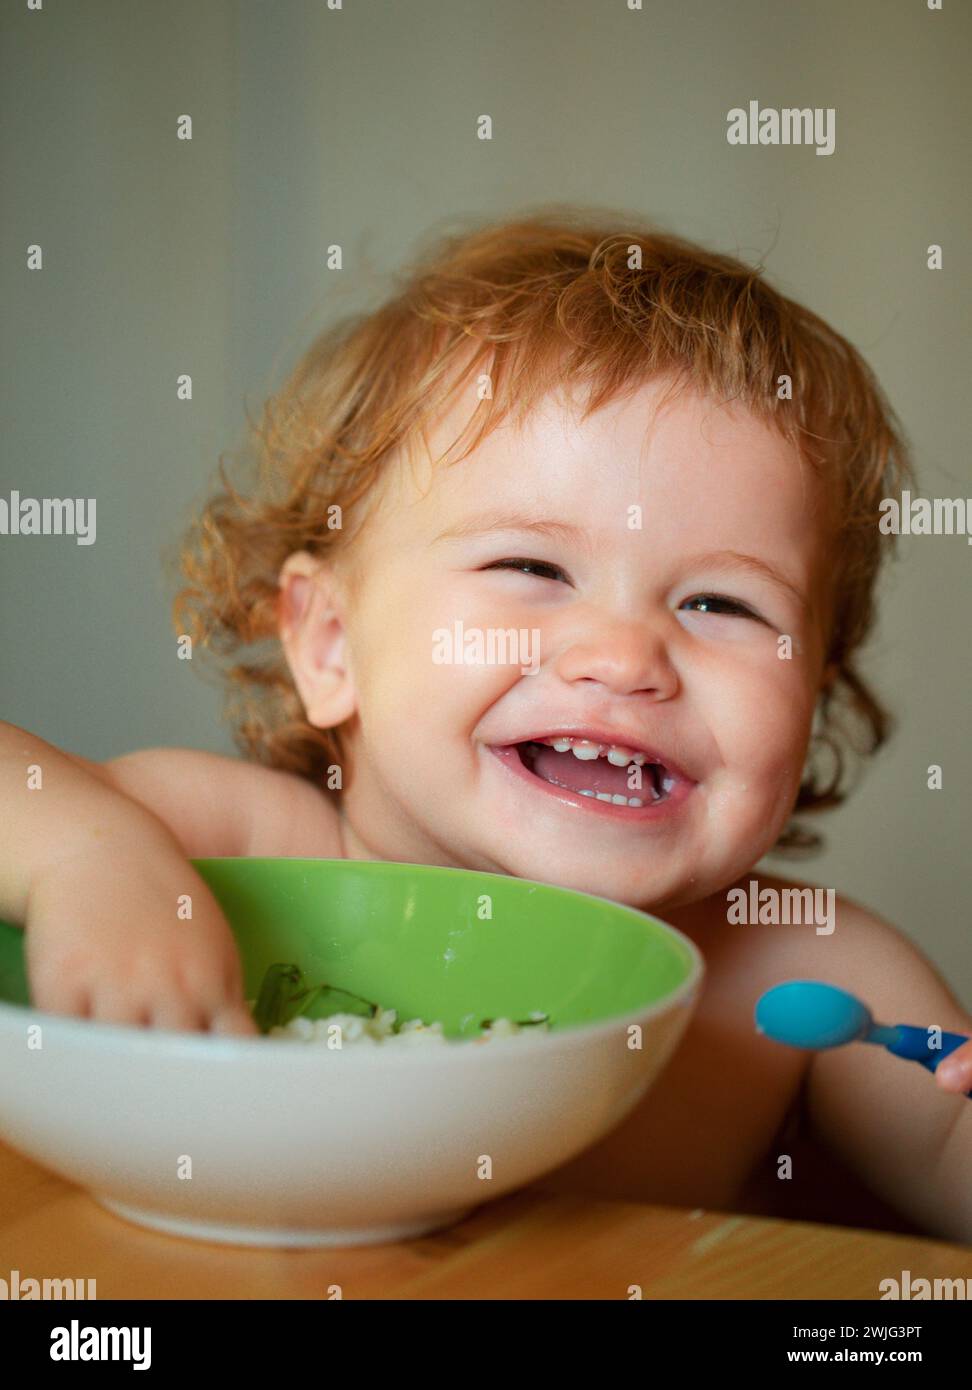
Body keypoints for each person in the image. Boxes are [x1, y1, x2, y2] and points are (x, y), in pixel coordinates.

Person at [3, 210, 970, 1240]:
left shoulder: (807, 978)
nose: (624, 657)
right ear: (332, 643)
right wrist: (90, 858)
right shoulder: (234, 851)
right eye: (534, 569)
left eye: (722, 605)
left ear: (815, 690)